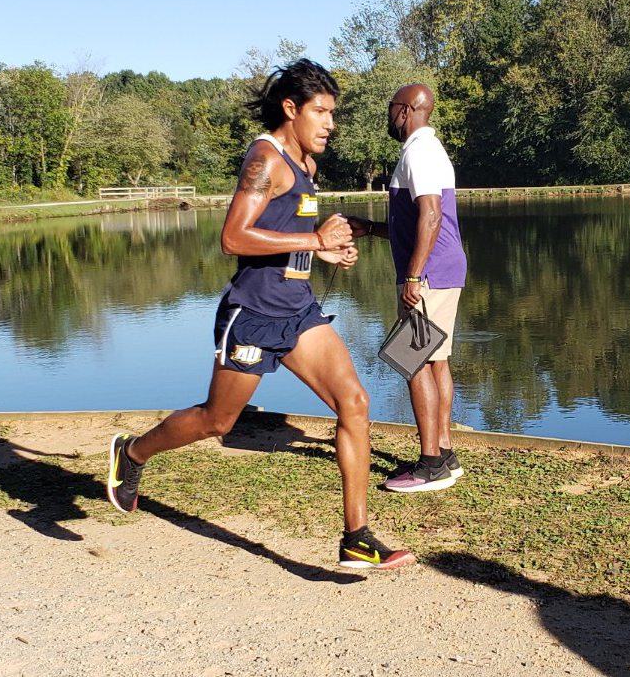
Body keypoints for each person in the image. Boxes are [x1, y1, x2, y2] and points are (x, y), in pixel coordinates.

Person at [107, 59, 415, 571]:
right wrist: (313, 240)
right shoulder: (265, 159)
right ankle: (133, 453)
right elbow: (233, 238)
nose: (330, 123)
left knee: (354, 401)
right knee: (216, 420)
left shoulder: (307, 168)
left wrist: (326, 250)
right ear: (291, 109)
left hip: (297, 310)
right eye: (320, 112)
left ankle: (357, 536)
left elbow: (290, 232)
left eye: (332, 113)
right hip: (251, 314)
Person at [349, 83, 468, 493]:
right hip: (445, 269)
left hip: (429, 274)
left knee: (413, 360)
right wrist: (371, 229)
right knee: (437, 360)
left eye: (390, 108)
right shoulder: (428, 150)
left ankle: (430, 465)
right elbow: (415, 222)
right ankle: (446, 453)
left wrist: (414, 276)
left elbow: (431, 218)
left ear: (405, 110)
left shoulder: (418, 151)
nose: (388, 116)